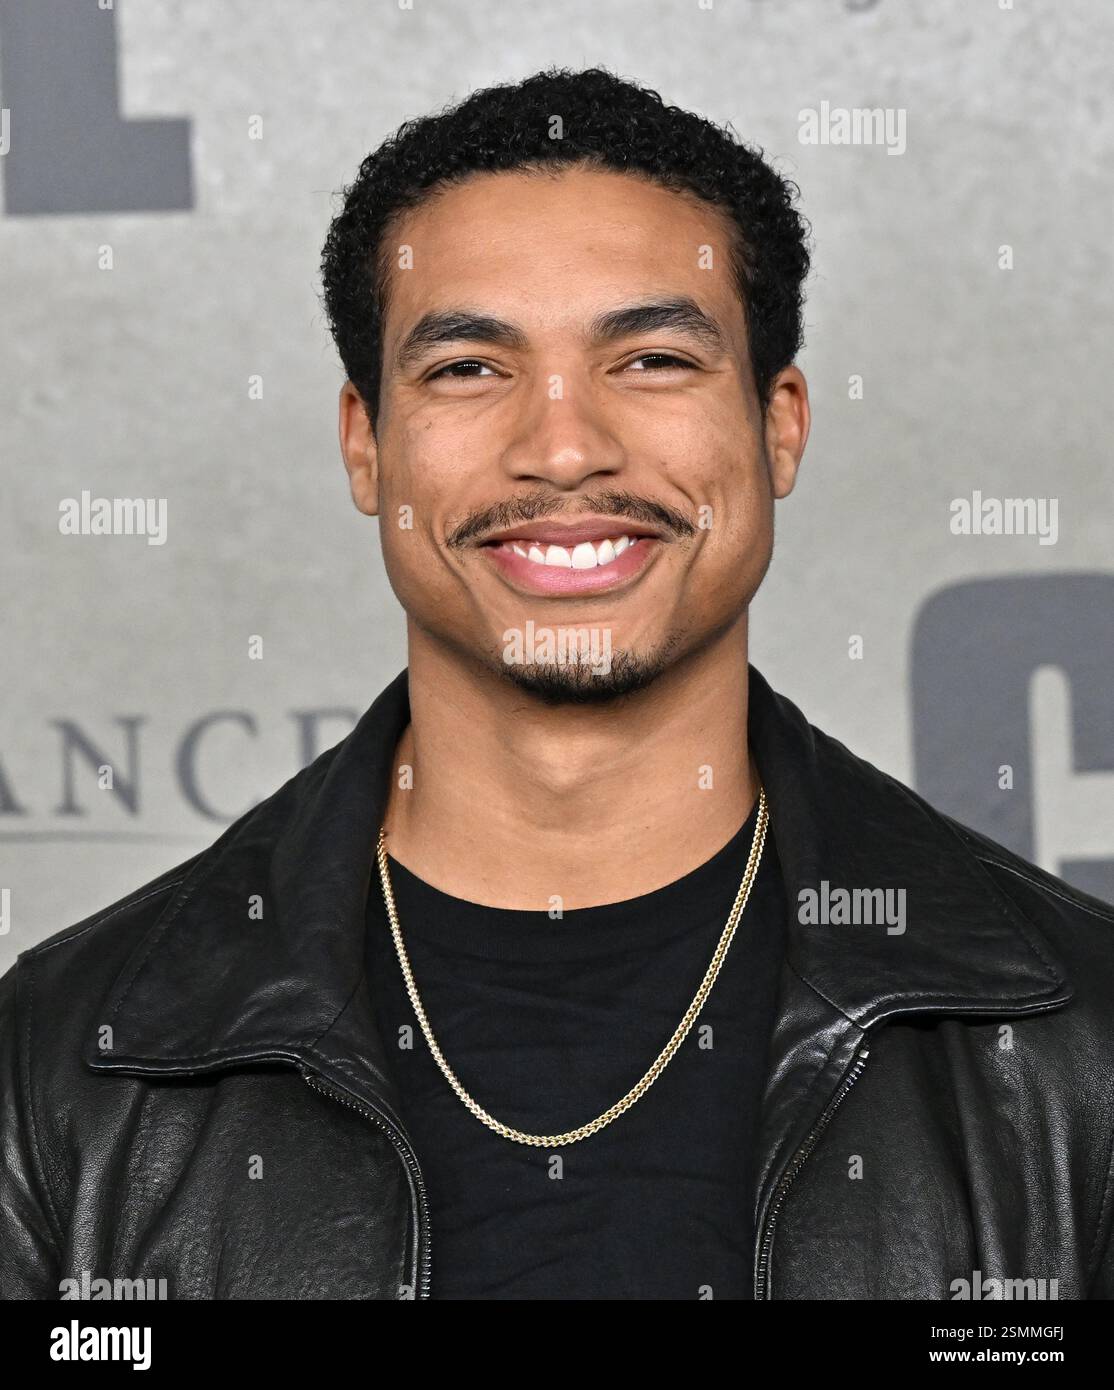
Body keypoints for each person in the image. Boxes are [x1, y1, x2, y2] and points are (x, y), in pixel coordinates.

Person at [3, 67, 1113, 1302]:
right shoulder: (67, 1061)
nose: (564, 446)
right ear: (365, 444)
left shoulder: (1078, 1047)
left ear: (779, 426)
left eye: (648, 359)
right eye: (471, 368)